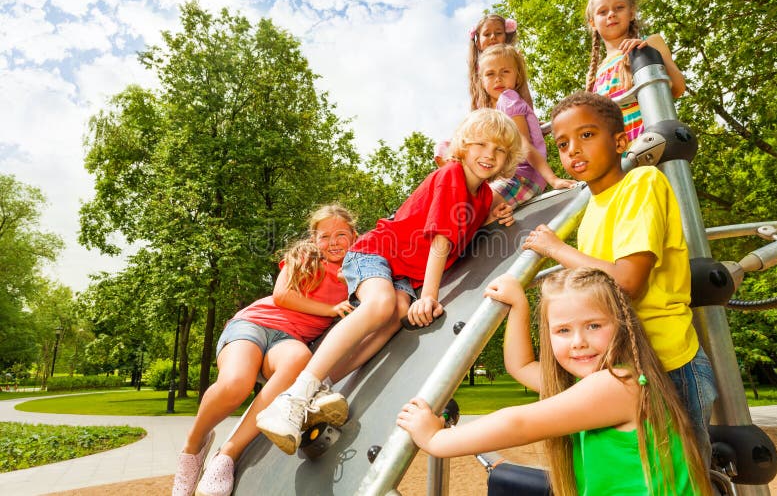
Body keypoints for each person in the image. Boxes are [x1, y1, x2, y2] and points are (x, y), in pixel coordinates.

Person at [256, 108, 523, 455]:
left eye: (500, 150)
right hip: (376, 254)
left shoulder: (484, 196)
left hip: (403, 277)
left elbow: (481, 211)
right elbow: (441, 239)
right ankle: (296, 393)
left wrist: (497, 211)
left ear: (507, 160)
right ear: (463, 147)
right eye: (481, 144)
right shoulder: (452, 174)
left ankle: (323, 385)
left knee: (395, 314)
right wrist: (428, 297)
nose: (489, 154)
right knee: (381, 305)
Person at [523, 91, 717, 463]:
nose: (573, 150)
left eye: (586, 135)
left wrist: (556, 249)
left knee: (682, 476)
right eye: (562, 144)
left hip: (667, 361)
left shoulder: (641, 183)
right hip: (623, 366)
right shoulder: (592, 210)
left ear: (619, 140)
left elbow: (628, 281)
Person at [398, 268, 712, 495]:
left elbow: (518, 423)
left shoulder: (619, 384)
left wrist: (437, 441)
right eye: (563, 330)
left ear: (622, 325)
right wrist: (518, 306)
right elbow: (521, 367)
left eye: (593, 325)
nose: (578, 342)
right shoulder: (597, 387)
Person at [172, 204, 358, 496]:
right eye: (324, 236)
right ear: (314, 239)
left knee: (300, 359)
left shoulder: (358, 271)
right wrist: (330, 308)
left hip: (290, 340)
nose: (333, 242)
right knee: (236, 383)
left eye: (341, 234)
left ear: (354, 235)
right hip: (253, 324)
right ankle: (193, 448)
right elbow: (282, 296)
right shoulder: (303, 257)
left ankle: (228, 454)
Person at [476, 44, 575, 213]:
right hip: (519, 177)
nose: (498, 78)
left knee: (474, 210)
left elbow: (523, 144)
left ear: (517, 75)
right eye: (490, 74)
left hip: (522, 178)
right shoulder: (503, 106)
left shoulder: (508, 99)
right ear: (482, 80)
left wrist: (553, 179)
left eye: (505, 72)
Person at [585, 0, 686, 145]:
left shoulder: (650, 43)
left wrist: (646, 54)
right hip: (619, 154)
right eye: (602, 12)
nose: (611, 14)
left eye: (619, 7)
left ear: (631, 13)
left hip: (652, 143)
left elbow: (678, 87)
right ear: (593, 23)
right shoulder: (595, 74)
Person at [435, 13, 518, 168]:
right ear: (478, 43)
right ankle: (455, 173)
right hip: (486, 124)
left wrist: (529, 117)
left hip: (504, 123)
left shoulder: (512, 61)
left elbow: (522, 93)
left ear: (506, 37)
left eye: (498, 33)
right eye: (487, 34)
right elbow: (476, 107)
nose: (493, 37)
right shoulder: (477, 70)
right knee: (446, 145)